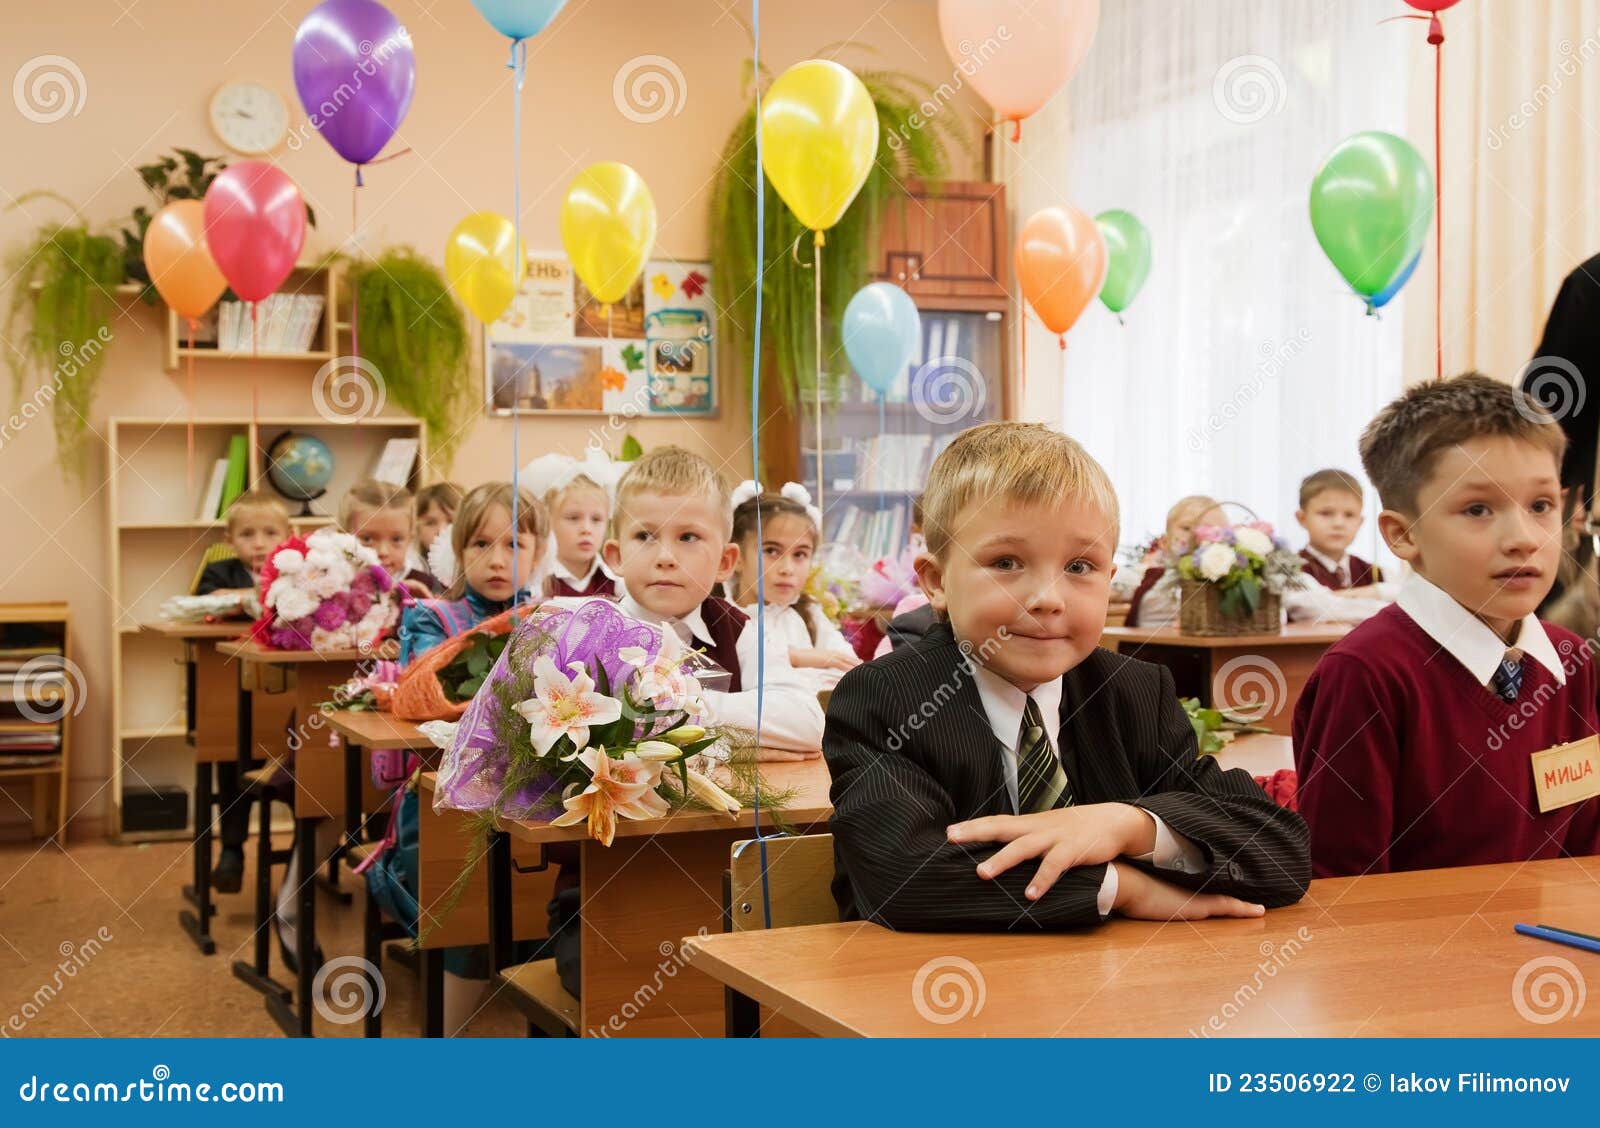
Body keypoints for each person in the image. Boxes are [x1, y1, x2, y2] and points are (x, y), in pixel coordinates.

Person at [825, 422, 1311, 929]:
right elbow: (904, 878)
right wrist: (1121, 887)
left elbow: (1282, 850)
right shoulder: (884, 697)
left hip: (1108, 992)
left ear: (1109, 582)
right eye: (1006, 562)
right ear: (936, 581)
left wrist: (1128, 825)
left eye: (1079, 567)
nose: (1048, 599)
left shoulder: (1135, 692)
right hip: (923, 992)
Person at [1294, 373, 1600, 877]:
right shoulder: (1366, 674)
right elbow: (1342, 886)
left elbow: (1584, 846)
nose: (1523, 538)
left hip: (1551, 949)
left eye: (1541, 506)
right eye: (1478, 509)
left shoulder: (1571, 660)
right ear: (1403, 535)